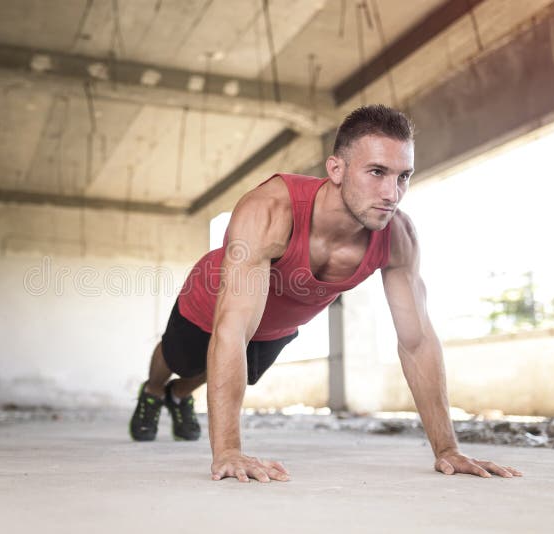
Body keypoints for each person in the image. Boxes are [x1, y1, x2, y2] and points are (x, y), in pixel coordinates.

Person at [129, 104, 522, 483]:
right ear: (336, 168)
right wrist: (228, 451)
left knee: (225, 373)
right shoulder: (268, 209)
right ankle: (151, 392)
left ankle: (178, 398)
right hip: (213, 299)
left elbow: (417, 342)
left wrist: (447, 449)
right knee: (178, 355)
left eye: (403, 176)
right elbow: (230, 330)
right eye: (377, 172)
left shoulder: (398, 236)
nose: (392, 193)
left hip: (278, 324)